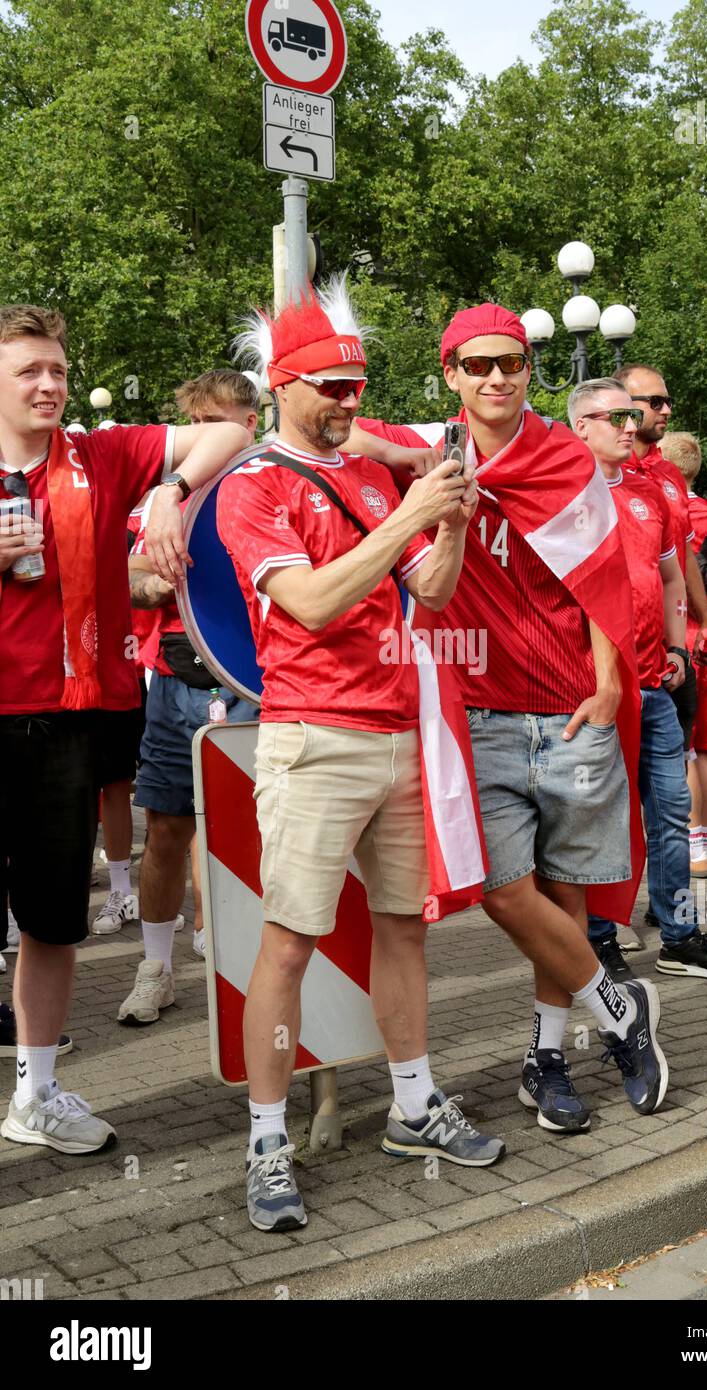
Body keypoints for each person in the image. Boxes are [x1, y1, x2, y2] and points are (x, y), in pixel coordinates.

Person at [217, 277, 507, 1233]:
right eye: (331, 388)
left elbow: (431, 593)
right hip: (313, 737)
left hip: (399, 730)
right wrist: (410, 515)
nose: (350, 403)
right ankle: (265, 1141)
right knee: (288, 944)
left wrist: (452, 524)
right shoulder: (254, 485)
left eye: (358, 386)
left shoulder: (380, 478)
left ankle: (415, 1105)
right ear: (281, 386)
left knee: (404, 928)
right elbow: (309, 603)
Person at [349, 305, 669, 1139]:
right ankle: (620, 1008)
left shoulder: (566, 458)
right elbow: (316, 428)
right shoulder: (430, 449)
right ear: (450, 372)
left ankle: (546, 1058)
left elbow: (603, 578)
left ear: (530, 370)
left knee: (565, 897)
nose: (497, 377)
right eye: (478, 364)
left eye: (513, 362)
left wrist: (606, 689)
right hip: (480, 715)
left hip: (569, 708)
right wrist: (169, 493)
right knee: (502, 890)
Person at [0, 303, 249, 1156]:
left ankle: (35, 1093)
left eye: (57, 370)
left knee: (51, 922)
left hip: (68, 723)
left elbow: (229, 438)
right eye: (29, 369)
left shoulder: (99, 456)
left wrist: (171, 493)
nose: (48, 384)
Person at [572, 388, 707, 983]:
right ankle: (598, 942)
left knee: (672, 812)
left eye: (634, 415)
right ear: (579, 428)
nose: (632, 426)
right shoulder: (562, 494)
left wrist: (679, 644)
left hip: (654, 684)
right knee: (602, 818)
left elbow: (673, 575)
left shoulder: (651, 491)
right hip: (597, 690)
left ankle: (677, 935)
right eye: (616, 417)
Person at [116, 371, 260, 1022]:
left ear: (249, 424)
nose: (199, 439)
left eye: (216, 423)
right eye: (193, 425)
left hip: (255, 688)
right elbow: (132, 577)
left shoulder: (274, 481)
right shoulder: (162, 501)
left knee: (259, 836)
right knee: (168, 831)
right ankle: (156, 969)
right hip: (174, 686)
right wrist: (161, 582)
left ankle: (268, 973)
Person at [613, 366, 707, 759]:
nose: (667, 411)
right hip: (618, 654)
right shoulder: (600, 470)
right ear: (624, 405)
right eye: (656, 402)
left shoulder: (670, 474)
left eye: (668, 402)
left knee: (672, 782)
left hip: (670, 653)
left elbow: (683, 554)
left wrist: (706, 623)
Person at [661, 432, 707, 879]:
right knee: (705, 748)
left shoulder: (667, 505)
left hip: (677, 631)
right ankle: (704, 841)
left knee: (680, 749)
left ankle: (687, 846)